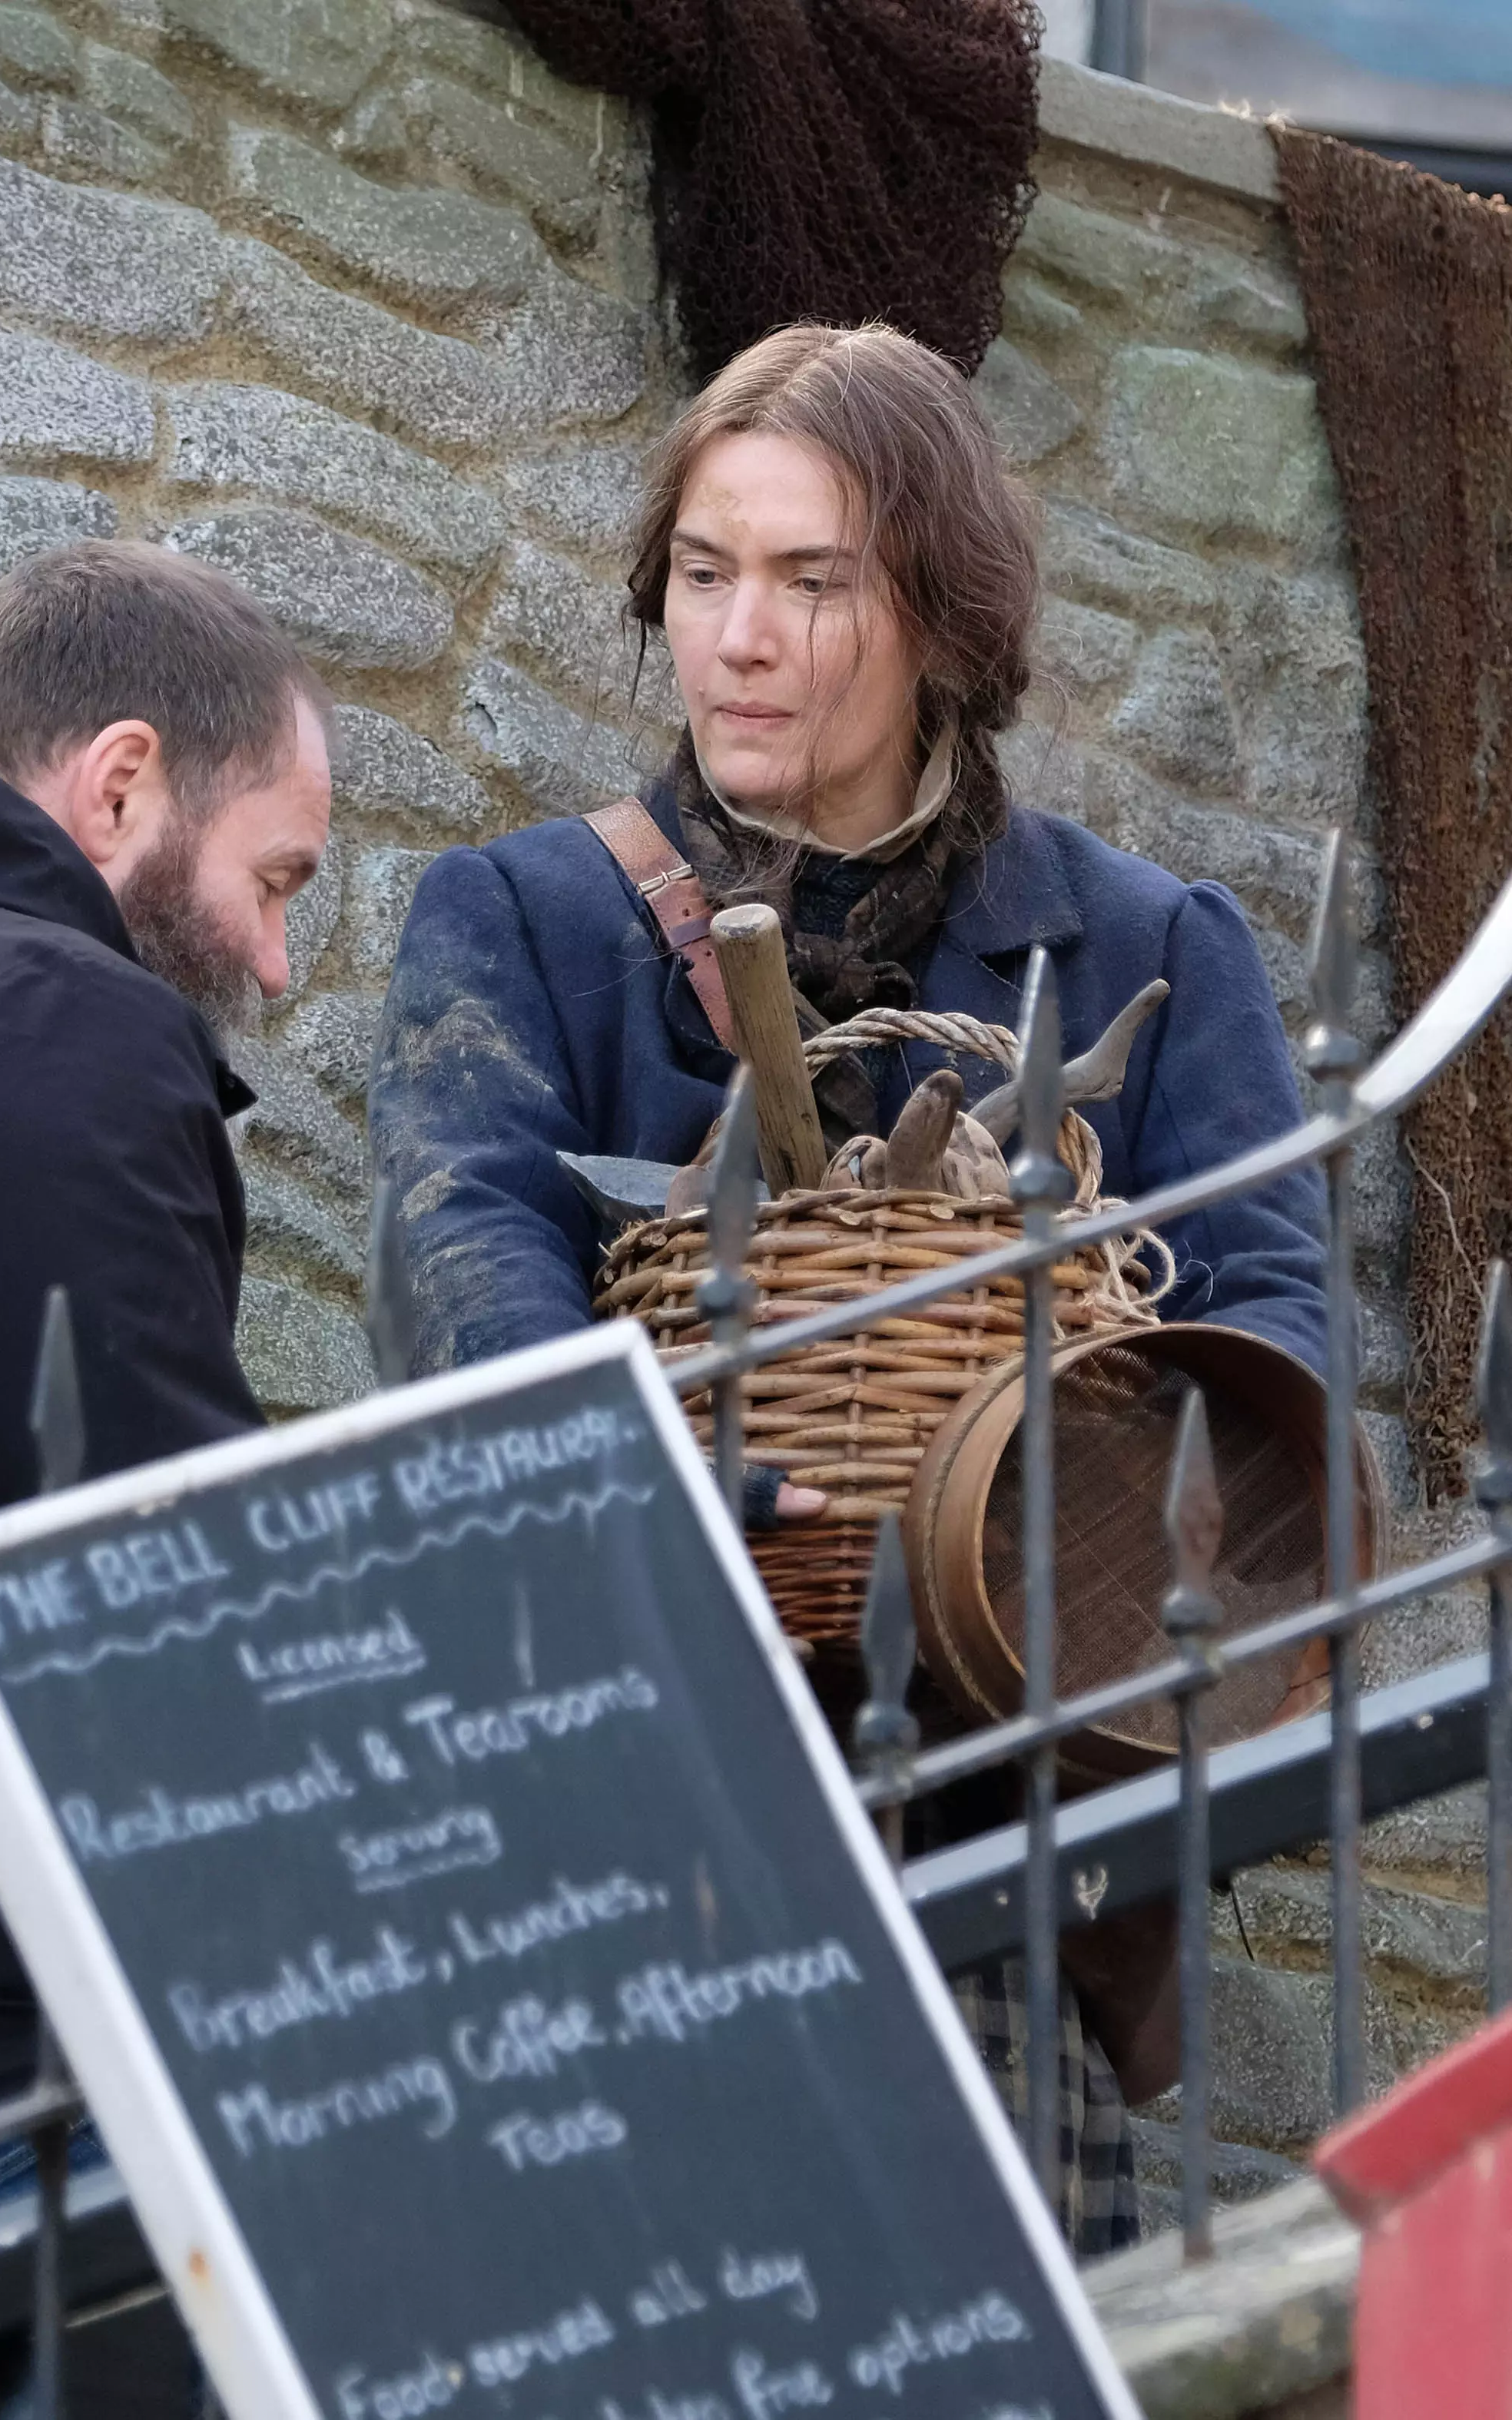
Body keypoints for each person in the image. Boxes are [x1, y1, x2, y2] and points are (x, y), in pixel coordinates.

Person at [370, 323, 1327, 2253]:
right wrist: (641, 1485)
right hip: (630, 1791)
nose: (742, 636)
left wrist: (1060, 1529)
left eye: (816, 583)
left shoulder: (1149, 946)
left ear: (944, 628)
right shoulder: (528, 922)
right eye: (709, 576)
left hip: (996, 1831)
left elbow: (1278, 1337)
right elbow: (460, 1252)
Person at [0, 540, 332, 2190]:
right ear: (123, 785)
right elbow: (157, 1585)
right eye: (276, 880)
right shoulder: (44, 1019)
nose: (277, 966)